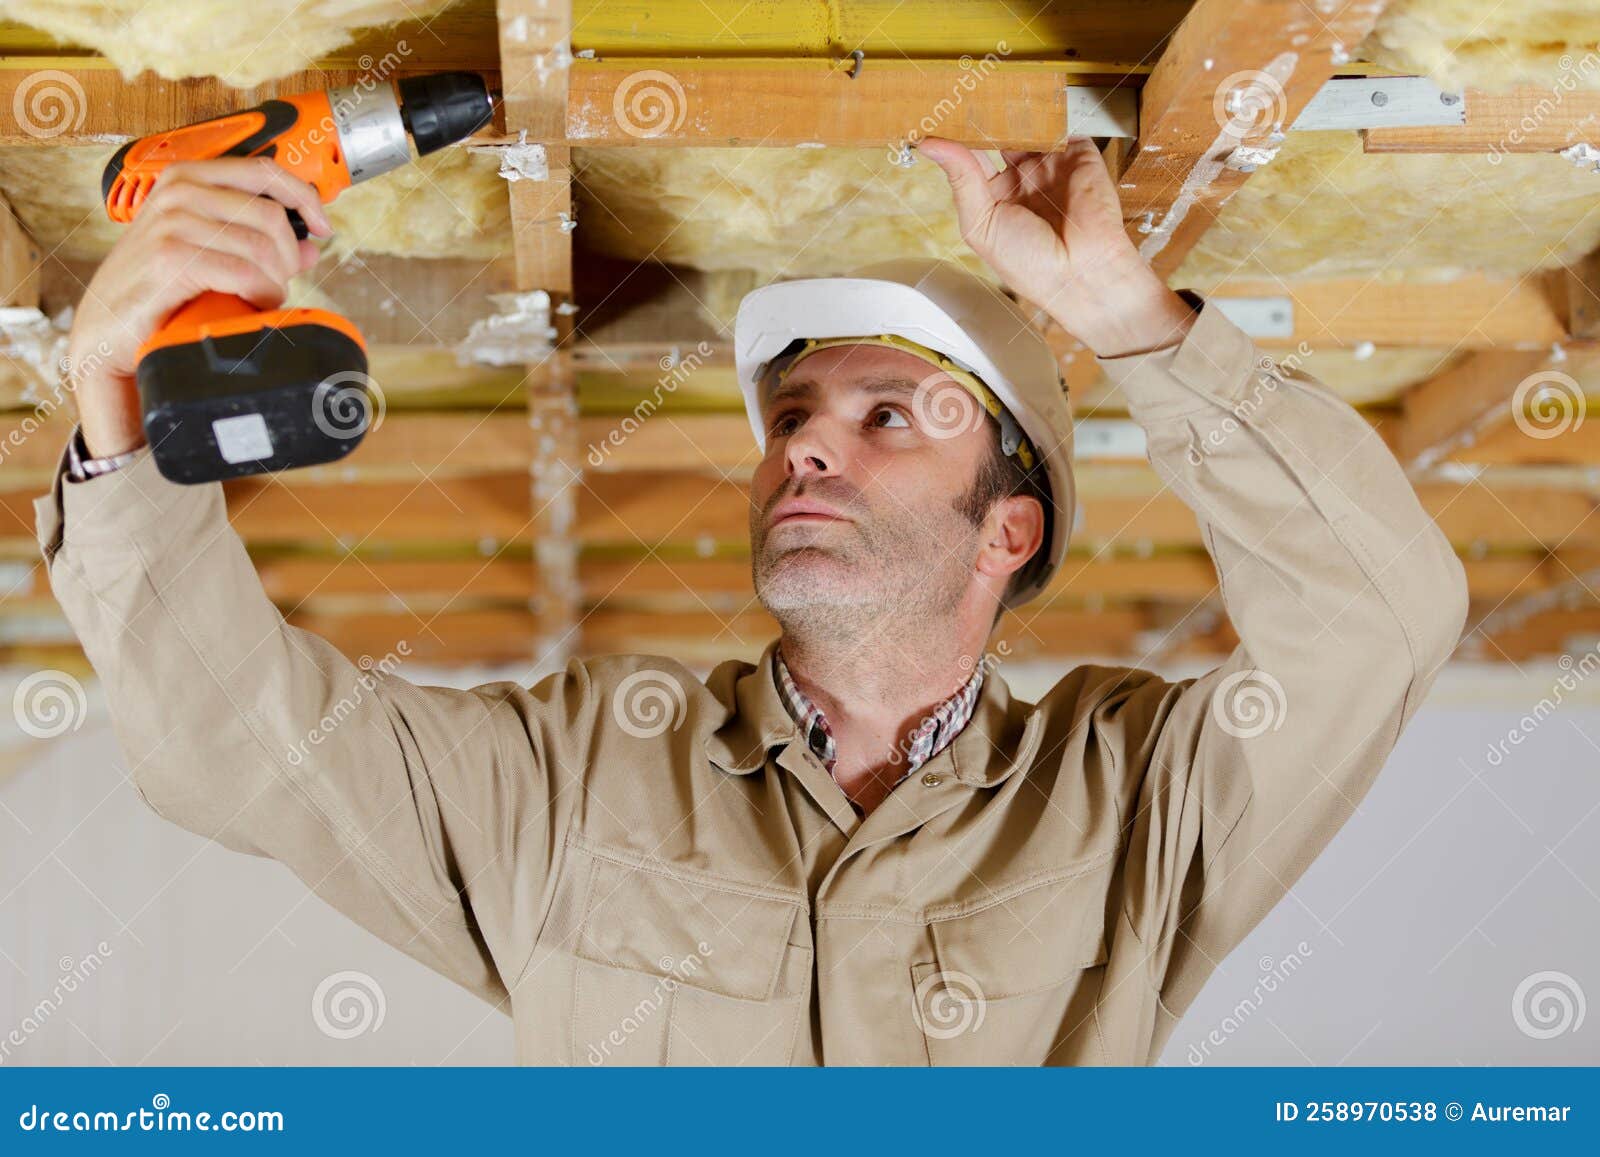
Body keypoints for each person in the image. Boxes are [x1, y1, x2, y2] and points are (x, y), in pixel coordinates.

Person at [35, 136, 1467, 1065]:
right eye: (792, 414)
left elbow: (1381, 618)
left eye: (893, 415)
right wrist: (110, 406)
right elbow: (242, 745)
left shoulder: (1134, 800)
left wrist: (1132, 324)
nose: (810, 443)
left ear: (1008, 527)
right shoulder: (574, 779)